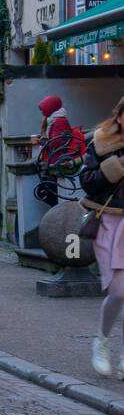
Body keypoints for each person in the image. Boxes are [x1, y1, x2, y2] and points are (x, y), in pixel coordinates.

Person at [79, 96, 124, 379]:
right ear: (118, 116)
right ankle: (102, 341)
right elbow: (87, 181)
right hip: (110, 221)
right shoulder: (100, 141)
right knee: (118, 291)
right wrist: (117, 165)